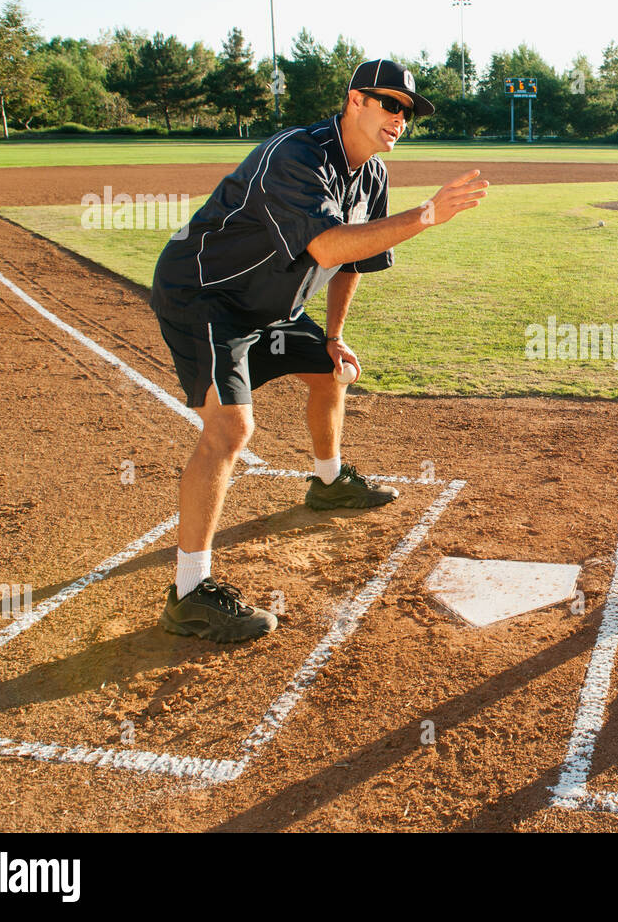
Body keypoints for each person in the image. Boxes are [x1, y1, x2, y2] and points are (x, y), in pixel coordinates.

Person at [150, 59, 489, 642]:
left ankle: (328, 483)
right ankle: (189, 594)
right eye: (391, 104)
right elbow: (328, 243)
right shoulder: (295, 155)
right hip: (208, 297)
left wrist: (331, 337)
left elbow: (351, 261)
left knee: (330, 373)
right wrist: (429, 214)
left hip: (274, 305)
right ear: (355, 100)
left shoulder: (373, 175)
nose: (400, 119)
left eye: (408, 112)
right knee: (230, 429)